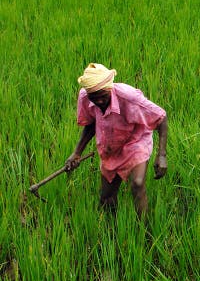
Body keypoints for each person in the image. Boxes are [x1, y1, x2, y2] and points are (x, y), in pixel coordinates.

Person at [64, 63, 167, 217]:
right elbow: (91, 124)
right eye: (94, 97)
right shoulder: (85, 97)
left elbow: (161, 118)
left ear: (109, 89)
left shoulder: (129, 97)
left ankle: (145, 232)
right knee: (106, 198)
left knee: (138, 184)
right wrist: (77, 152)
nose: (98, 101)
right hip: (110, 146)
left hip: (135, 141)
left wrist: (162, 156)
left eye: (102, 96)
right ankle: (111, 233)